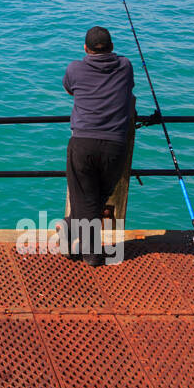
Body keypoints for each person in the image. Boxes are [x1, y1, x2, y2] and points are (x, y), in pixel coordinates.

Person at [62, 26, 135, 265]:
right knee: (94, 199)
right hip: (114, 145)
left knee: (87, 200)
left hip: (82, 144)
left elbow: (69, 88)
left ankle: (91, 254)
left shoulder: (75, 68)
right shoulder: (125, 66)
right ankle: (68, 237)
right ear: (112, 47)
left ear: (85, 48)